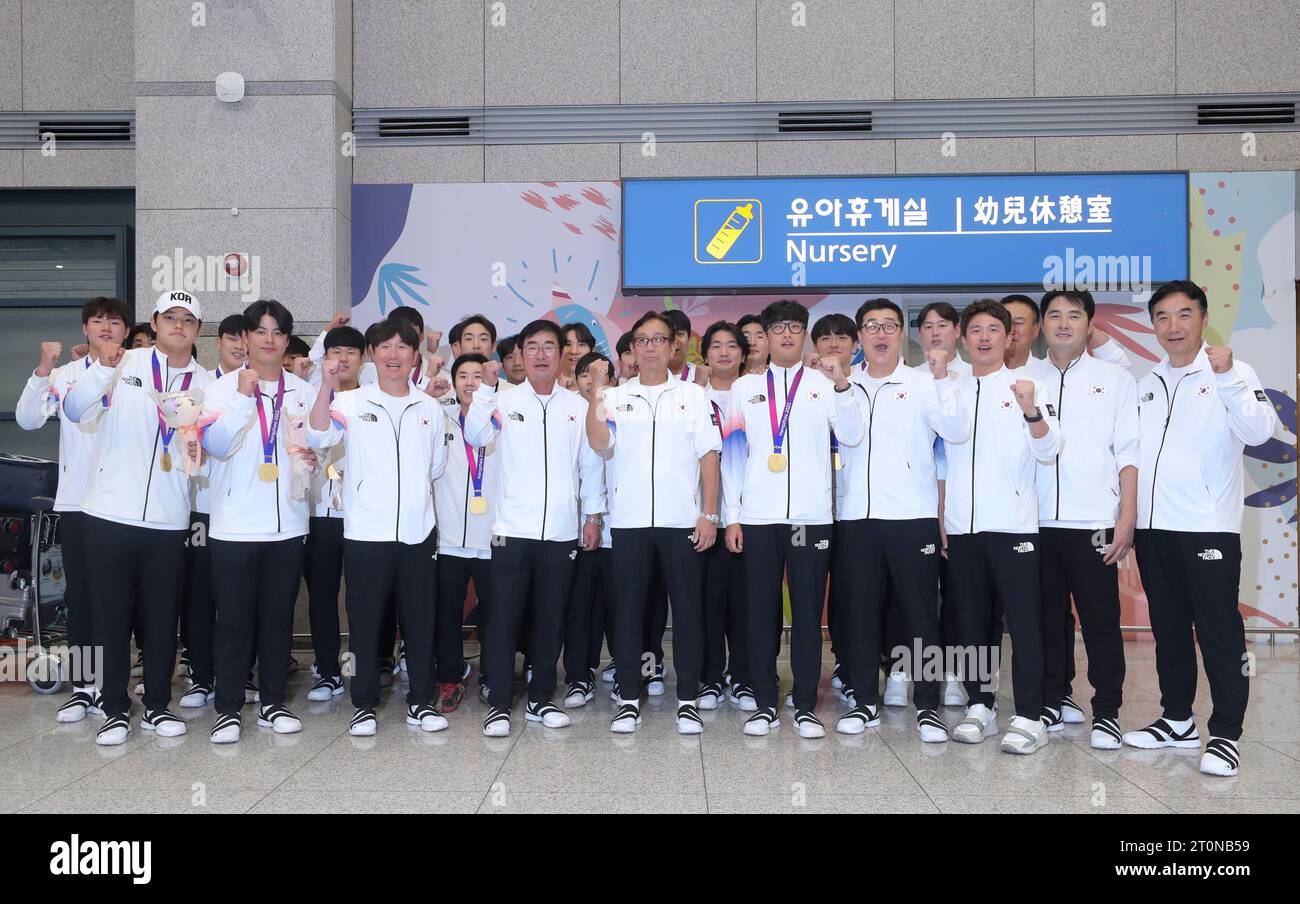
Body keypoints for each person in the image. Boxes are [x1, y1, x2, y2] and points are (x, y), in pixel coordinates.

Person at [1122, 280, 1277, 777]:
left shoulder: (1231, 371)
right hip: (1153, 531)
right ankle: (1177, 719)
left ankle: (1227, 732)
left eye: (1184, 315)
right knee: (1167, 630)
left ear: (1203, 319)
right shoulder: (1147, 382)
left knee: (1219, 633)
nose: (1173, 326)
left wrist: (1229, 377)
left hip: (1208, 530)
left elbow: (1259, 432)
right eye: (1163, 317)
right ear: (1152, 325)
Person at [63, 291, 213, 745]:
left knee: (162, 617)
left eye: (188, 319)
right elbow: (73, 409)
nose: (179, 325)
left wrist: (196, 452)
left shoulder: (206, 381)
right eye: (170, 317)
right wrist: (105, 369)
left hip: (168, 520)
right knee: (110, 615)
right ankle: (113, 707)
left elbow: (208, 453)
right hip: (109, 512)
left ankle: (156, 707)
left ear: (197, 330)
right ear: (154, 322)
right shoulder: (124, 364)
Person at [723, 299, 865, 738]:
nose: (786, 335)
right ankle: (764, 702)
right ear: (763, 337)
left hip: (811, 517)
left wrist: (841, 385)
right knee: (761, 613)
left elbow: (852, 435)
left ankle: (805, 704)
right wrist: (733, 516)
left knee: (806, 615)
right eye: (777, 327)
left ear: (804, 335)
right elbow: (732, 457)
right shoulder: (743, 389)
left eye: (794, 327)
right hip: (759, 518)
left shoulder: (826, 385)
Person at [831, 299, 969, 742]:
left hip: (912, 518)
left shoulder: (924, 383)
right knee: (861, 614)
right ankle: (864, 702)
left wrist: (943, 375)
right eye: (871, 326)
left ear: (900, 334)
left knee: (920, 614)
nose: (880, 333)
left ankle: (927, 706)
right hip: (857, 519)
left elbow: (954, 430)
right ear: (859, 337)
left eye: (889, 325)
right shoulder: (844, 385)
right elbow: (849, 435)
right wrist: (840, 388)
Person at [307, 316, 449, 737]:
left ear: (414, 355)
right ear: (372, 355)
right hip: (367, 534)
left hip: (418, 534)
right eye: (384, 347)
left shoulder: (430, 407)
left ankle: (421, 702)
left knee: (421, 621)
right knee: (366, 620)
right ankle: (364, 703)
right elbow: (318, 435)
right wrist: (326, 386)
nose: (393, 354)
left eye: (402, 347)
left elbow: (435, 468)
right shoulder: (351, 402)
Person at [463, 319, 604, 737]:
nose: (541, 355)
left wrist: (592, 516)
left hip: (561, 532)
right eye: (532, 348)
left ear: (562, 355)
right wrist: (486, 389)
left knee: (550, 618)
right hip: (511, 530)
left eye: (549, 347)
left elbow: (591, 465)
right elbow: (474, 435)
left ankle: (542, 698)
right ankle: (500, 703)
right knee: (503, 618)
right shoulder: (503, 402)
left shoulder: (577, 407)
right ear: (520, 355)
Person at [586, 311, 721, 734]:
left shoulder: (693, 395)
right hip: (628, 524)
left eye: (658, 339)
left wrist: (709, 514)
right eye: (641, 340)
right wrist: (595, 395)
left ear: (672, 346)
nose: (650, 347)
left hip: (681, 522)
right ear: (632, 348)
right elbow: (598, 443)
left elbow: (709, 457)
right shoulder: (615, 397)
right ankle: (628, 698)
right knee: (627, 613)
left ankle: (687, 700)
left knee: (687, 612)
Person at [942, 299, 1060, 755]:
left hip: (1013, 527)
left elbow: (1051, 449)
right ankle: (981, 705)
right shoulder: (950, 388)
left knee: (1025, 624)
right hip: (964, 527)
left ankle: (1030, 715)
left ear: (1010, 336)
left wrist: (1031, 411)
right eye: (976, 330)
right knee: (972, 623)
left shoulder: (1029, 384)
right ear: (963, 338)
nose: (985, 337)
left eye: (995, 328)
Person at [201, 300, 318, 742]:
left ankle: (272, 703)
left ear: (286, 341)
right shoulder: (221, 389)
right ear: (244, 338)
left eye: (277, 332)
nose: (269, 339)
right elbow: (215, 445)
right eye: (260, 331)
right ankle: (228, 708)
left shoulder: (302, 392)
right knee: (232, 620)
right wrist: (243, 400)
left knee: (277, 617)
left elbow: (316, 448)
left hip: (287, 525)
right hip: (234, 524)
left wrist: (314, 457)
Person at [15, 296, 131, 722]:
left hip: (125, 506)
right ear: (85, 329)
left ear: (125, 330)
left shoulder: (136, 371)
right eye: (98, 321)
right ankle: (84, 687)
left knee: (115, 600)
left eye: (114, 322)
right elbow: (28, 420)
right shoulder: (64, 374)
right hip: (78, 502)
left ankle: (111, 687)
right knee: (79, 598)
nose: (105, 328)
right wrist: (43, 368)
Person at [1033, 289, 1138, 749]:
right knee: (1047, 620)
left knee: (1100, 620)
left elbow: (1128, 453)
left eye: (1073, 316)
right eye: (1053, 315)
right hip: (1035, 522)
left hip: (1094, 519)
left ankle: (1108, 711)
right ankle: (1054, 698)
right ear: (1040, 326)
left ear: (1088, 325)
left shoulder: (1115, 379)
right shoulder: (1021, 379)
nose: (1062, 323)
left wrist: (1126, 516)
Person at [432, 352, 500, 714]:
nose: (470, 382)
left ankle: (492, 675)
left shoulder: (501, 419)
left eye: (478, 375)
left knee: (495, 613)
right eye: (463, 376)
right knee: (446, 613)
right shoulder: (438, 419)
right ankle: (450, 676)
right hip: (448, 538)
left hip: (493, 537)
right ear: (454, 382)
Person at [302, 325, 365, 702]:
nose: (341, 360)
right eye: (334, 353)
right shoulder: (306, 398)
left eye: (350, 354)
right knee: (322, 597)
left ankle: (358, 668)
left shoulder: (372, 401)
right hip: (318, 512)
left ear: (363, 359)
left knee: (360, 599)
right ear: (323, 359)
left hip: (362, 516)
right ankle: (327, 671)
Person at [697, 321, 753, 710]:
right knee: (707, 602)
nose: (724, 352)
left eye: (732, 345)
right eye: (716, 346)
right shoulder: (689, 398)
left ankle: (745, 677)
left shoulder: (755, 396)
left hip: (750, 515)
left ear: (743, 353)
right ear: (704, 355)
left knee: (747, 602)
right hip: (703, 516)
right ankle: (710, 676)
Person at [563, 351, 617, 707]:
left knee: (618, 607)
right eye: (583, 374)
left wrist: (597, 517)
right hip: (574, 529)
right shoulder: (566, 413)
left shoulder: (620, 407)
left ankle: (623, 672)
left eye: (597, 374)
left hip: (619, 528)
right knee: (580, 608)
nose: (589, 380)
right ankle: (578, 676)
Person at [810, 312, 859, 694]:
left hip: (854, 507)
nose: (833, 344)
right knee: (811, 591)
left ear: (855, 345)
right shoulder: (803, 387)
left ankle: (848, 661)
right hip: (811, 508)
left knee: (850, 590)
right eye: (824, 338)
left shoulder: (862, 386)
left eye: (842, 337)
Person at [663, 308, 697, 382]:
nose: (674, 340)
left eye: (680, 334)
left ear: (689, 340)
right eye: (668, 334)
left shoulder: (699, 377)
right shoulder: (645, 378)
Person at [559, 322, 595, 390]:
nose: (574, 351)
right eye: (567, 344)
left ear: (592, 350)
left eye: (581, 344)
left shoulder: (603, 389)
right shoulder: (546, 388)